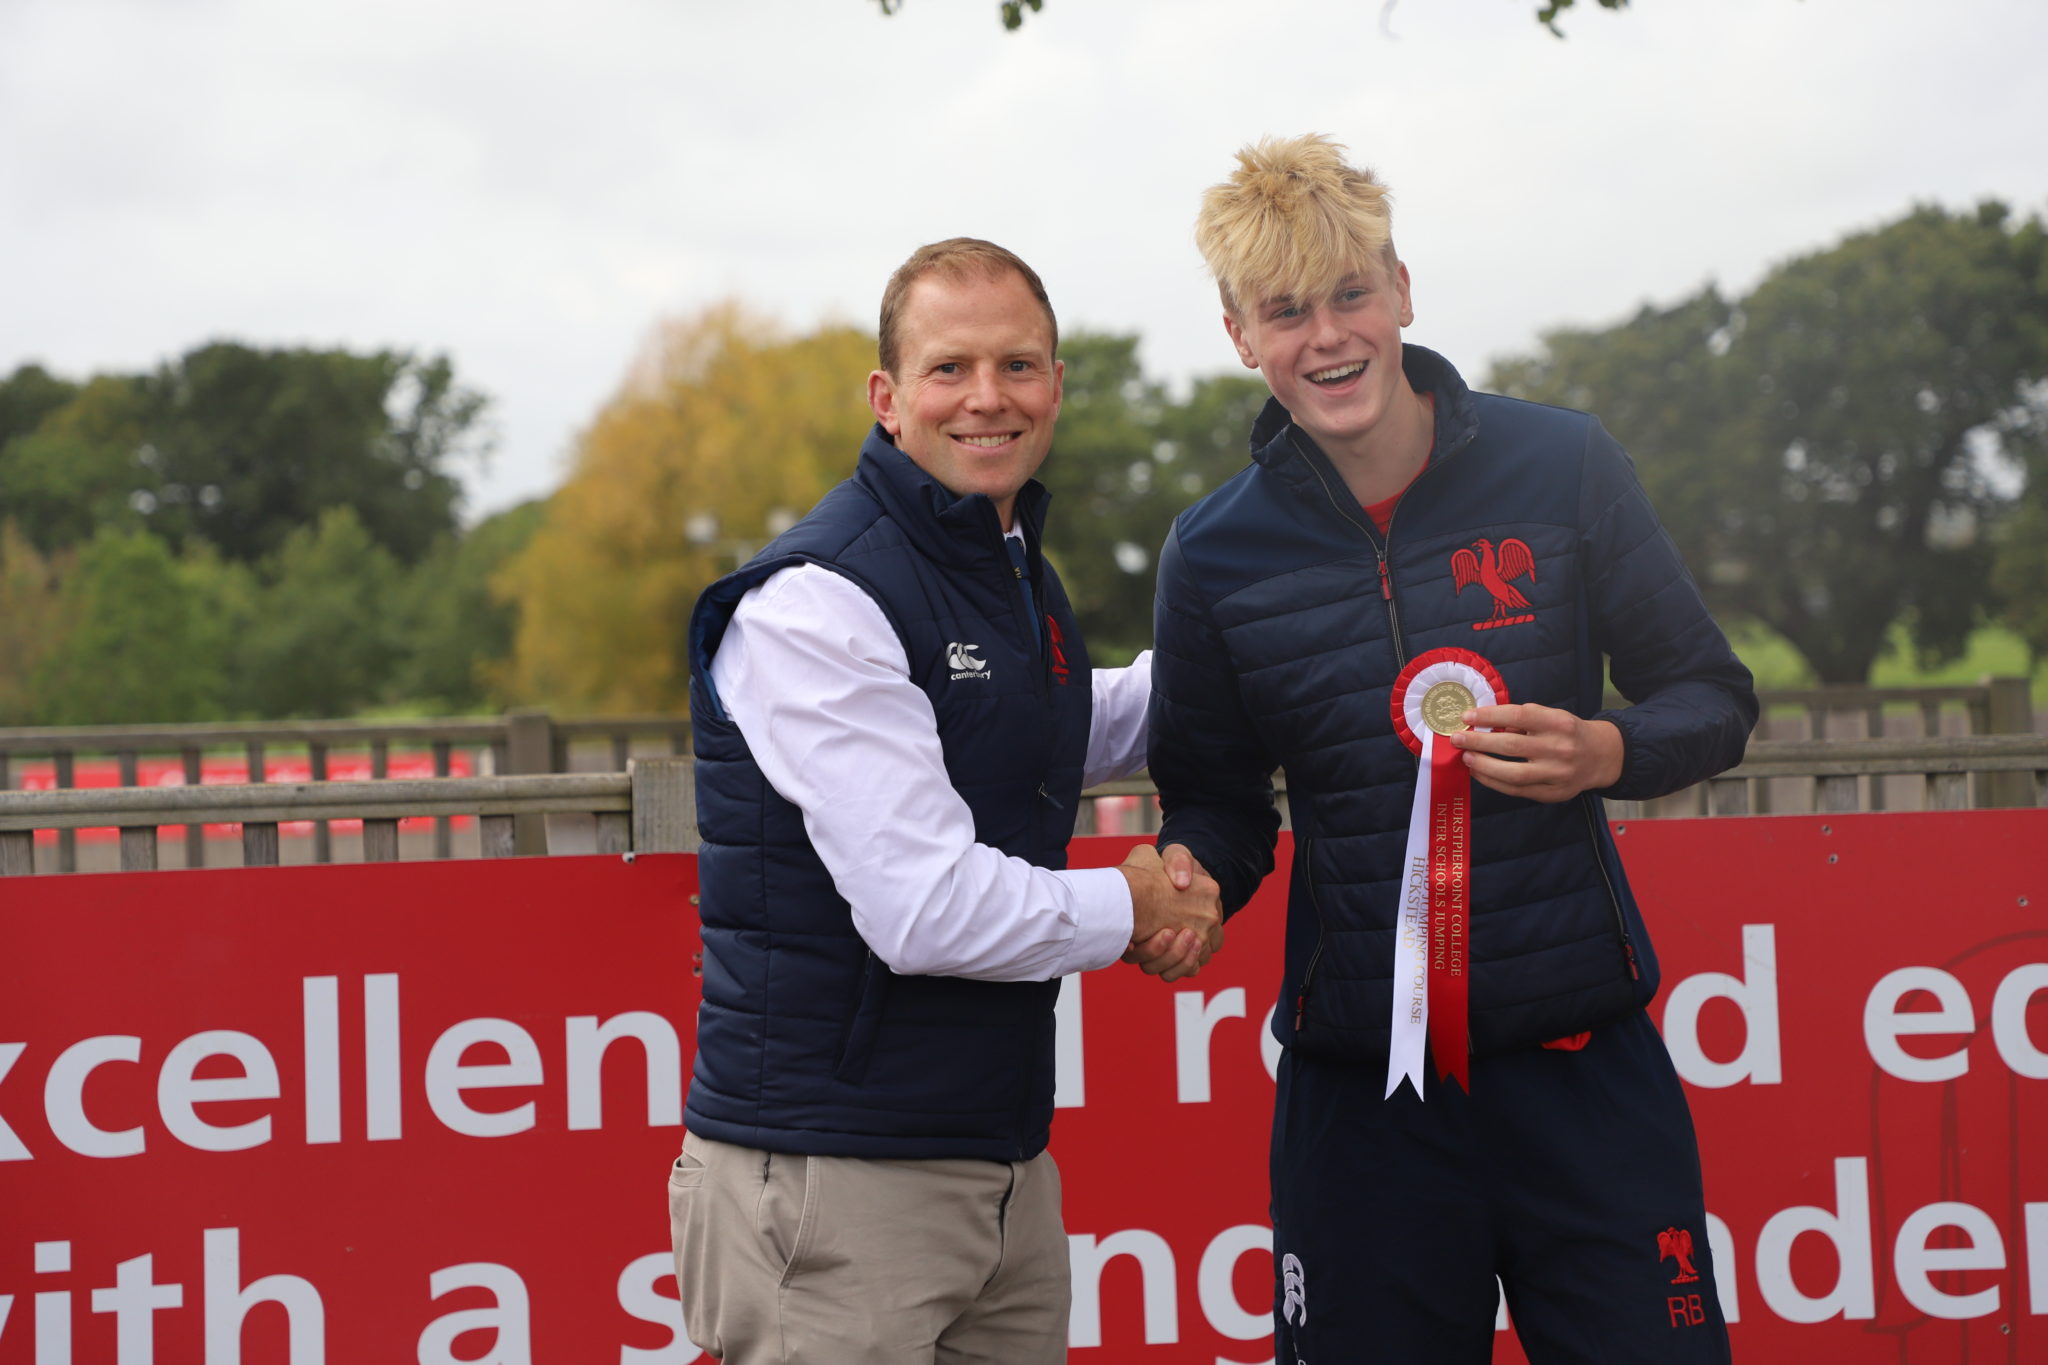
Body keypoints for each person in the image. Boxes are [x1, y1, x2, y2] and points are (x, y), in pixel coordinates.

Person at [1148, 135, 1756, 1362]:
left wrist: (1604, 751)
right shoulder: (1210, 554)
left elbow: (1710, 695)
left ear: (1402, 292)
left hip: (1582, 1074)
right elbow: (1216, 802)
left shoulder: (1563, 463)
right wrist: (1188, 877)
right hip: (1360, 1103)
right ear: (1238, 335)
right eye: (1285, 312)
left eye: (1350, 294)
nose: (1327, 337)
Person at [670, 237, 1223, 1365]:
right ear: (887, 398)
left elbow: (1052, 727)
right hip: (835, 1180)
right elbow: (922, 908)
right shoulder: (817, 599)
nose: (987, 397)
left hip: (1001, 1164)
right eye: (949, 368)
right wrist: (1133, 905)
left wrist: (1262, 653)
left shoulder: (1008, 563)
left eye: (1017, 365)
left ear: (1056, 386)